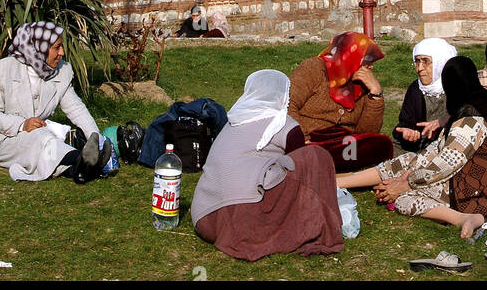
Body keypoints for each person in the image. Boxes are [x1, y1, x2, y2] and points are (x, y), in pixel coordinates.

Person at [338, 55, 487, 239]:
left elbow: (446, 164)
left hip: (481, 189)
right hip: (469, 177)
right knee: (409, 160)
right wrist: (406, 175)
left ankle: (463, 218)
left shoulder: (472, 118)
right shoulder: (476, 105)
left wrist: (406, 184)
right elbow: (435, 151)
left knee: (404, 199)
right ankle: (339, 183)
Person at [191, 69, 343, 260]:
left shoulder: (232, 121)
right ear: (283, 96)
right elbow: (300, 172)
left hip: (205, 219)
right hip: (239, 223)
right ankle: (320, 224)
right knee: (315, 156)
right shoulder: (285, 125)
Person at [0, 22, 111, 183]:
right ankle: (81, 160)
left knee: (47, 138)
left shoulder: (62, 71)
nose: (62, 52)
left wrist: (96, 137)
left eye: (62, 46)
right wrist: (22, 124)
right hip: (5, 140)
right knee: (42, 138)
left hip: (43, 135)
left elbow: (76, 109)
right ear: (38, 48)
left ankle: (78, 170)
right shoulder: (2, 70)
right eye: (56, 48)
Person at [288, 31, 393, 172]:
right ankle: (332, 169)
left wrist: (375, 93)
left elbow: (366, 132)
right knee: (312, 152)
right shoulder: (313, 68)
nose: (371, 67)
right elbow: (288, 105)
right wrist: (303, 138)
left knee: (382, 143)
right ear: (350, 56)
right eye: (367, 60)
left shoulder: (362, 85)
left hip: (341, 145)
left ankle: (325, 168)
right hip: (311, 138)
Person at [393, 37, 457, 152]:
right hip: (419, 145)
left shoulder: (456, 87)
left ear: (441, 62)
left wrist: (444, 121)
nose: (419, 68)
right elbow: (406, 121)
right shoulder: (415, 88)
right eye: (417, 61)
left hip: (449, 145)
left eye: (426, 61)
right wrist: (408, 131)